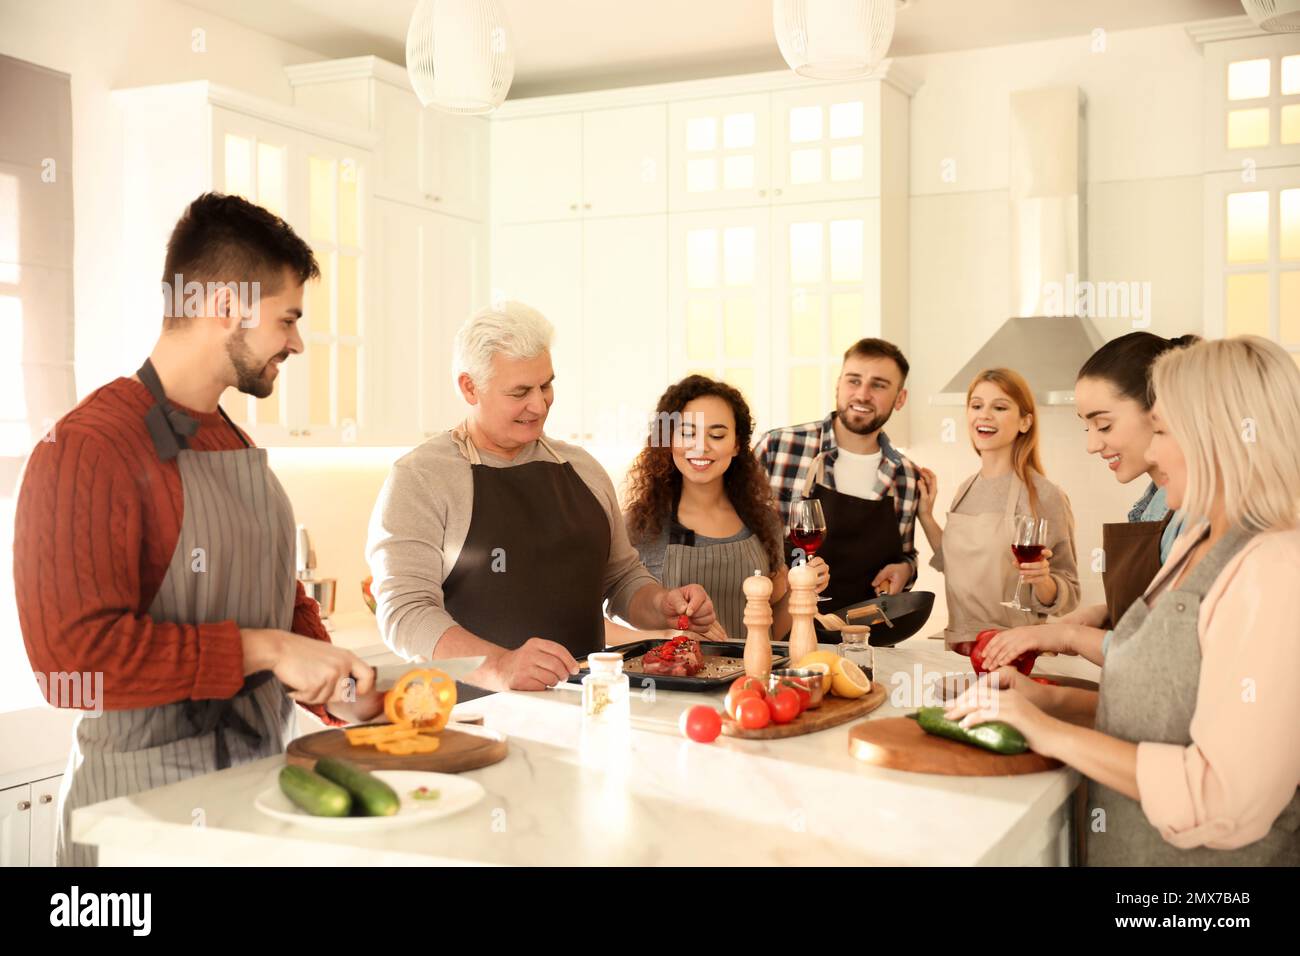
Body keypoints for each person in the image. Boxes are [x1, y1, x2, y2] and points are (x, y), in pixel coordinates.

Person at [13, 193, 382, 866]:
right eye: (288, 319)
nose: (298, 342)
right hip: (139, 821)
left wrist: (344, 693)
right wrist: (265, 650)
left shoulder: (229, 438)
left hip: (258, 802)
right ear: (225, 307)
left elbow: (280, 599)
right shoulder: (87, 448)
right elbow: (72, 664)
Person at [945, 336, 1300, 865]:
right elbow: (1170, 715)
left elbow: (1221, 798)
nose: (1151, 453)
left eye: (1160, 430)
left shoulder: (1274, 568)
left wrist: (1047, 731)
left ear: (1219, 438)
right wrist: (1048, 702)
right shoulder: (1193, 542)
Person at [365, 302, 716, 693]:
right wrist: (499, 666)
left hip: (589, 706)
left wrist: (659, 603)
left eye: (546, 385)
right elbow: (405, 613)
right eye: (520, 392)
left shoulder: (583, 468)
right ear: (469, 387)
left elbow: (621, 578)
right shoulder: (421, 478)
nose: (539, 404)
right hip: (473, 716)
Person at [981, 333, 1197, 671]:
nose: (1092, 445)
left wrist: (1067, 637)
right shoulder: (1151, 507)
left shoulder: (1195, 516)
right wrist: (1102, 614)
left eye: (1104, 425)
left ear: (1159, 413)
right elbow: (1156, 607)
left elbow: (1166, 652)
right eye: (1086, 428)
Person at [623, 375, 828, 641]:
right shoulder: (642, 525)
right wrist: (665, 635)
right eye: (687, 433)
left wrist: (803, 591)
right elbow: (597, 617)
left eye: (717, 434)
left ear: (736, 445)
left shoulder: (764, 521)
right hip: (669, 681)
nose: (701, 446)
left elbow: (771, 632)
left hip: (751, 676)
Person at [916, 368, 1080, 650]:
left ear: (1025, 422)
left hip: (1015, 651)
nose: (984, 415)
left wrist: (1042, 580)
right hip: (960, 646)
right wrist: (926, 516)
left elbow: (1069, 593)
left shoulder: (1044, 495)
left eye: (999, 407)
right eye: (976, 405)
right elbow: (956, 567)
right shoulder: (965, 489)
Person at [754, 338, 922, 612]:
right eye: (853, 380)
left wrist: (905, 569)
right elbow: (736, 537)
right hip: (782, 633)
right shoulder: (779, 447)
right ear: (838, 384)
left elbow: (905, 555)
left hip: (865, 639)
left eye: (878, 385)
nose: (863, 394)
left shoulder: (907, 477)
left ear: (900, 398)